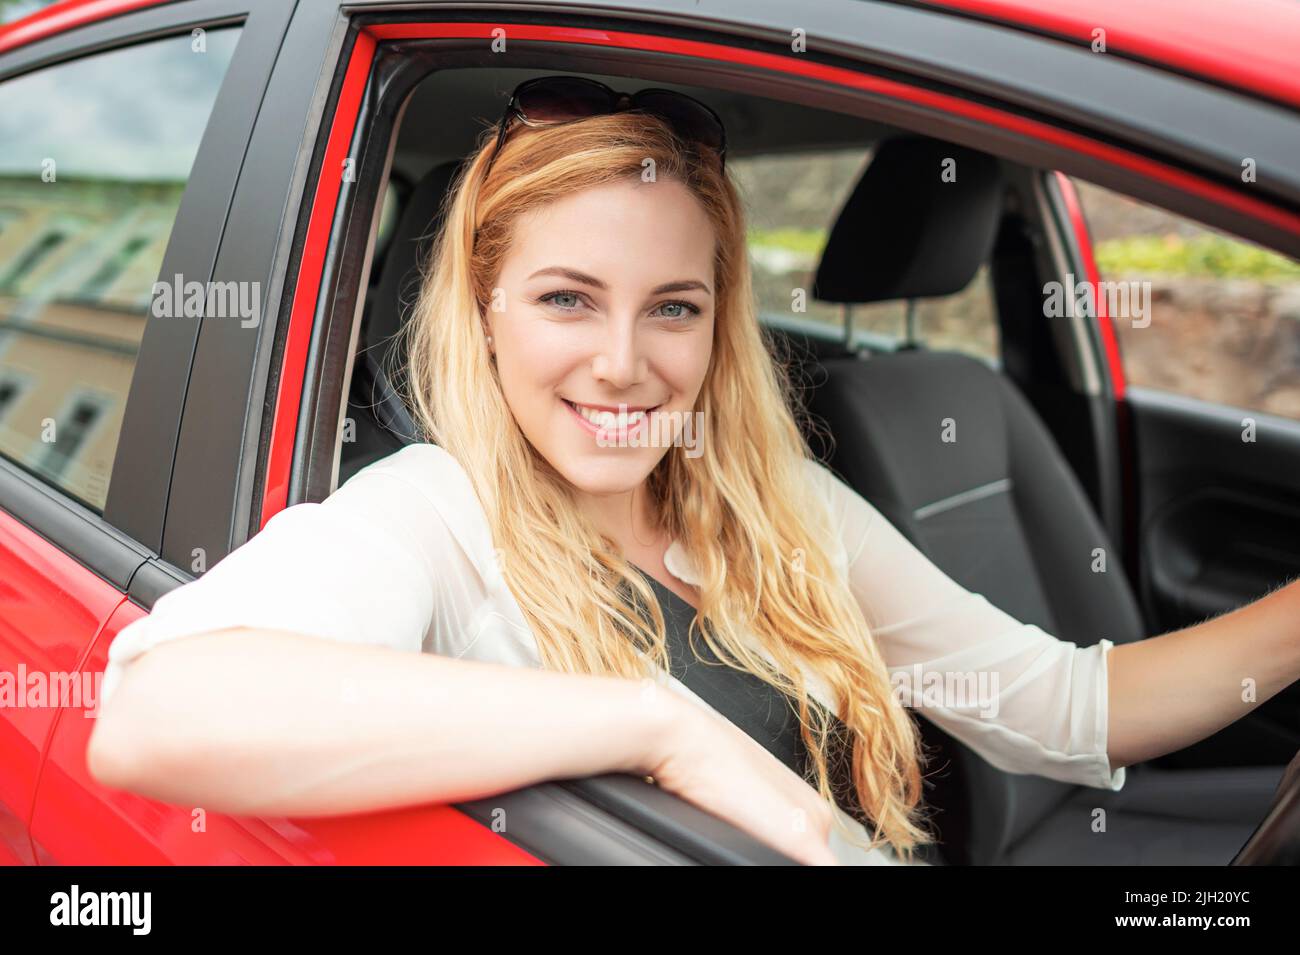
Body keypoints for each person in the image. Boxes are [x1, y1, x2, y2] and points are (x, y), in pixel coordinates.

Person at [87, 76, 1300, 866]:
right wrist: (656, 722)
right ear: (484, 311)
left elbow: (1059, 709)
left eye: (672, 307)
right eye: (567, 300)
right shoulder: (431, 512)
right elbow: (152, 720)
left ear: (721, 325)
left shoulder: (775, 507)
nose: (622, 366)